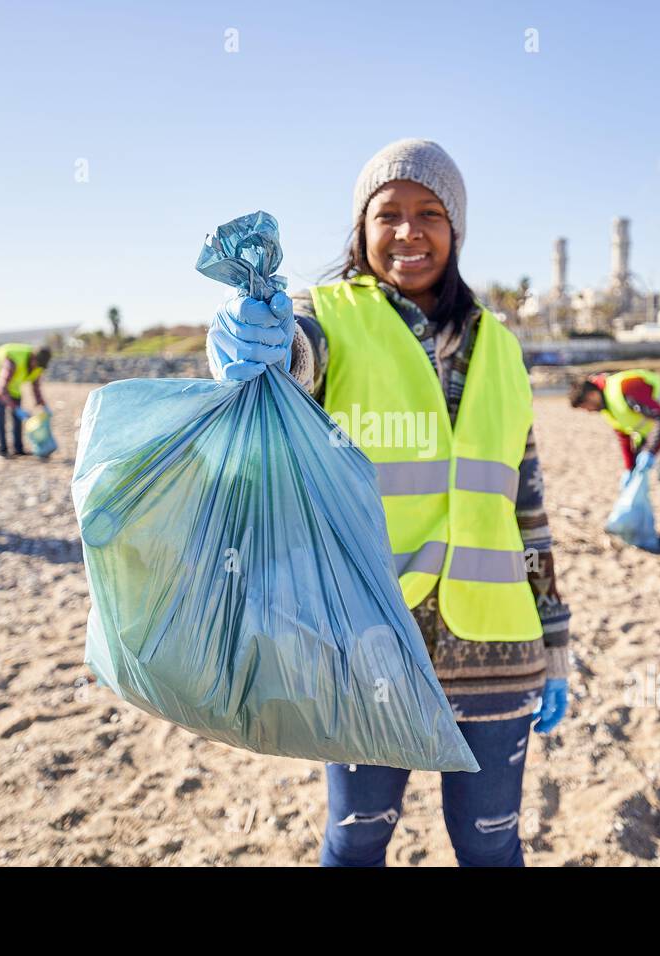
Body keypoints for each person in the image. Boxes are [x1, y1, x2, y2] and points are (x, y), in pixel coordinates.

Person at [206, 139, 571, 867]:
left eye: (429, 213)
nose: (409, 232)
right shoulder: (327, 315)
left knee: (492, 844)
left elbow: (527, 509)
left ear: (456, 229)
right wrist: (259, 353)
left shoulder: (500, 344)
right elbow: (295, 360)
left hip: (501, 651)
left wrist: (555, 640)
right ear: (360, 230)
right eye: (389, 214)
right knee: (358, 837)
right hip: (368, 644)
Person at [569, 370, 660, 548]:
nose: (588, 411)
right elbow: (624, 436)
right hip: (657, 426)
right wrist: (629, 468)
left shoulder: (627, 388)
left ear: (592, 395)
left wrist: (651, 451)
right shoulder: (607, 408)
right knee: (639, 473)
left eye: (586, 406)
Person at [0, 343, 51, 457]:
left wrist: (42, 405)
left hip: (13, 384)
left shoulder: (38, 366)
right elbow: (1, 390)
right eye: (37, 363)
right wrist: (16, 408)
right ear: (33, 357)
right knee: (0, 410)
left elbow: (36, 387)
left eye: (40, 365)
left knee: (17, 414)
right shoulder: (13, 361)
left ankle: (18, 449)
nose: (37, 367)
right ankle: (2, 450)